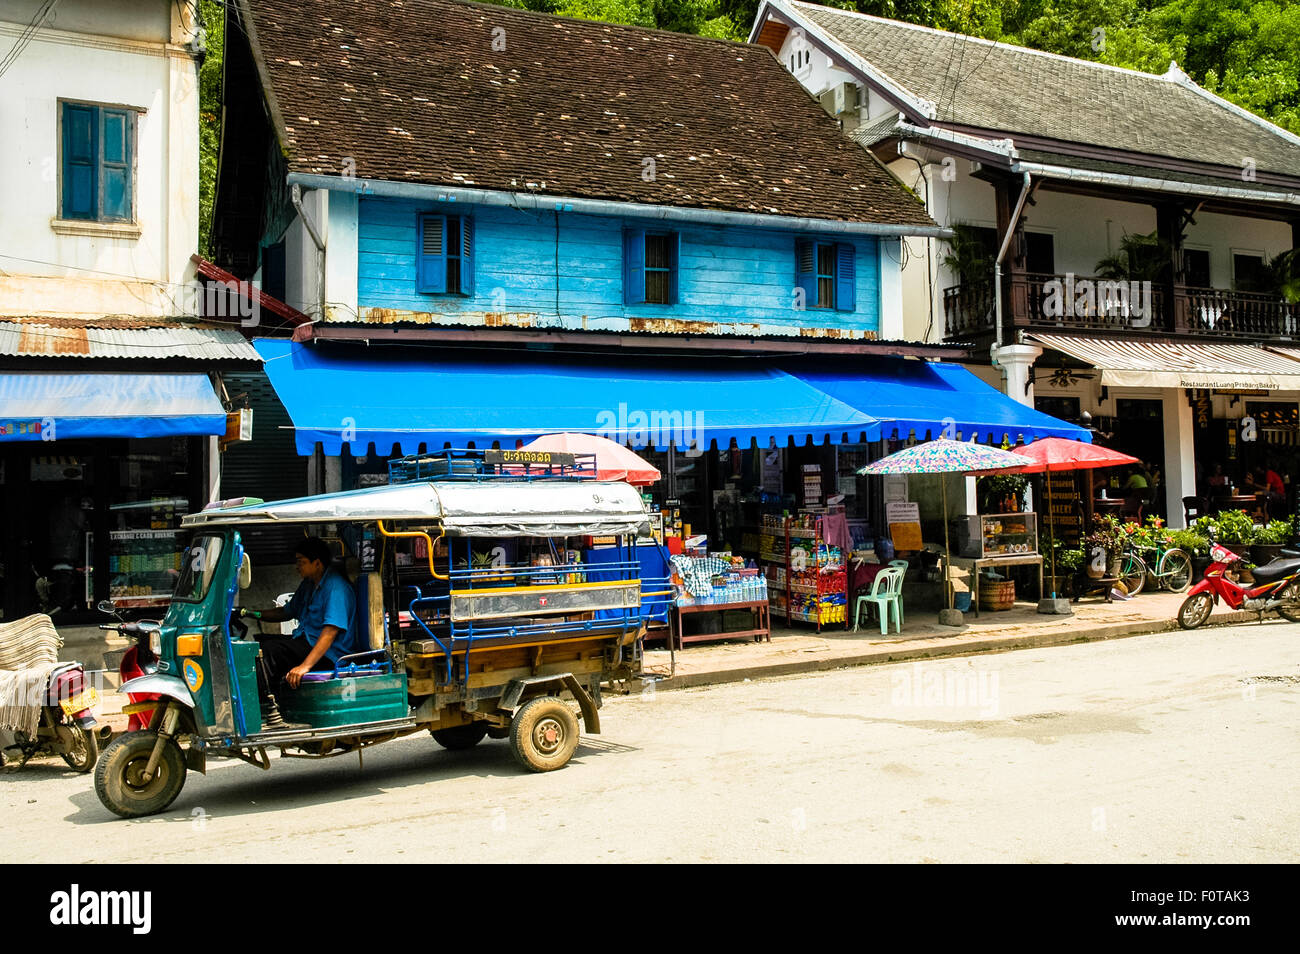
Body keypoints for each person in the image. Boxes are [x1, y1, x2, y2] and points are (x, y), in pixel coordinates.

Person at [241, 537, 357, 693]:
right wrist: (248, 613)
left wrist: (305, 666)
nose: (297, 567)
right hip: (306, 642)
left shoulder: (335, 588)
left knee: (270, 651)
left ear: (317, 563)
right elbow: (285, 612)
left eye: (301, 562)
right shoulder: (309, 584)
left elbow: (329, 633)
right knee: (259, 643)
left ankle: (265, 704)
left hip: (329, 655)